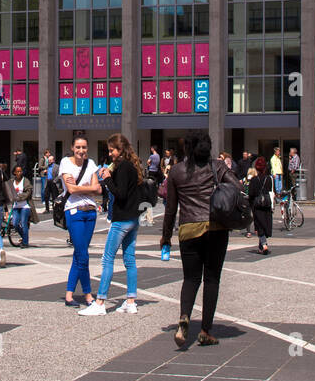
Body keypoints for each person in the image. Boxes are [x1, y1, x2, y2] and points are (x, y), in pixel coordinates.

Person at [160, 132, 240, 349]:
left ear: (187, 148)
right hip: (216, 227)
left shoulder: (176, 171)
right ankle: (205, 330)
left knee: (191, 278)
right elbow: (238, 187)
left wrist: (165, 237)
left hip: (188, 229)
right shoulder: (218, 167)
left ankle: (184, 316)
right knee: (212, 279)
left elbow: (170, 209)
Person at [80, 134, 145, 316]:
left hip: (122, 219)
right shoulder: (132, 166)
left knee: (107, 259)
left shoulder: (123, 167)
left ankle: (100, 302)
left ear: (120, 149)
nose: (110, 154)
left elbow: (120, 193)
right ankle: (131, 300)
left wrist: (108, 178)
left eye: (112, 150)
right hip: (133, 218)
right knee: (129, 259)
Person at [61, 134, 101, 307]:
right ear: (72, 147)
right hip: (73, 210)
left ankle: (69, 295)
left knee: (79, 254)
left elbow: (97, 189)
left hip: (91, 212)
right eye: (78, 147)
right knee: (83, 254)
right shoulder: (65, 162)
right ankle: (88, 295)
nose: (81, 151)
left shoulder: (91, 163)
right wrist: (86, 188)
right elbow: (70, 188)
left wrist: (85, 188)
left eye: (84, 147)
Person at [247, 156, 274, 255]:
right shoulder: (269, 179)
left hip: (257, 205)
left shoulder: (254, 180)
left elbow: (251, 194)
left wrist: (250, 204)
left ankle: (264, 245)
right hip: (266, 204)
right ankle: (261, 246)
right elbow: (269, 191)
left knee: (259, 225)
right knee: (265, 223)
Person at [6, 163, 33, 248]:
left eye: (20, 171)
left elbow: (28, 192)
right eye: (17, 171)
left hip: (24, 205)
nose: (19, 173)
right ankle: (24, 237)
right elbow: (9, 192)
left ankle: (25, 242)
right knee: (15, 223)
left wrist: (19, 197)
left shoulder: (26, 181)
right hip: (16, 206)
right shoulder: (11, 182)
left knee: (24, 223)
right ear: (14, 172)